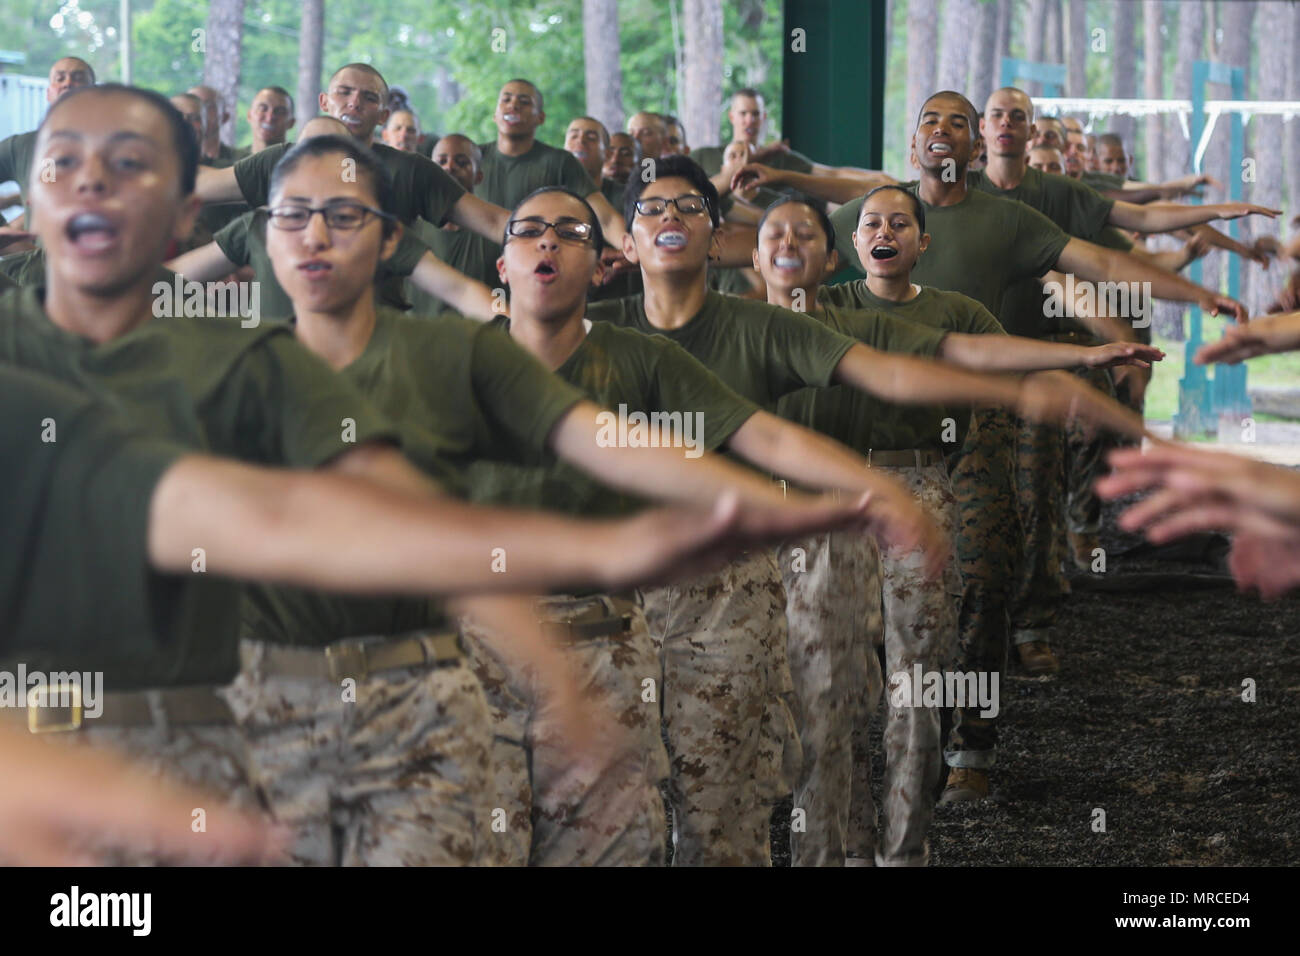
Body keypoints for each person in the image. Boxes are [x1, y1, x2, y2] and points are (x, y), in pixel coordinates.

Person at [245, 137, 875, 866]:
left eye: (571, 234)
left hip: (603, 646)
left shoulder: (636, 359)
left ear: (602, 262)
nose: (547, 244)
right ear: (501, 261)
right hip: (470, 656)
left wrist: (828, 500)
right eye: (528, 232)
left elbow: (733, 441)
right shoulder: (437, 359)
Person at [823, 90, 1244, 798]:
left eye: (959, 122)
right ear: (913, 136)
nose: (944, 132)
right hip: (881, 438)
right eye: (932, 118)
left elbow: (1102, 268)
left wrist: (1191, 299)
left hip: (982, 426)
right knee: (887, 600)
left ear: (975, 145)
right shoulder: (864, 215)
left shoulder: (1007, 222)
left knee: (987, 581)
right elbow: (782, 240)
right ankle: (908, 737)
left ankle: (972, 750)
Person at [754, 192, 1153, 864]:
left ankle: (907, 847)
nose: (883, 232)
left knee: (919, 676)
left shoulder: (945, 314)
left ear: (924, 242)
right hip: (836, 497)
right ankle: (837, 850)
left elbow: (987, 354)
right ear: (848, 247)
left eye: (899, 223)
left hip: (921, 489)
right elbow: (767, 317)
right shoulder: (832, 308)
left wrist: (1082, 360)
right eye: (870, 224)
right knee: (828, 686)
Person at [166, 116, 498, 322]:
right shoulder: (260, 224)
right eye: (310, 149)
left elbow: (461, 291)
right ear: (291, 156)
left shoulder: (376, 229)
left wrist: (518, 327)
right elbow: (170, 280)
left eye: (332, 149)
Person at [195, 63, 515, 252]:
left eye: (369, 97)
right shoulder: (278, 160)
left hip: (380, 329)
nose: (354, 102)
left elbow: (493, 221)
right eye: (344, 92)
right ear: (324, 101)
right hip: (285, 329)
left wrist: (551, 234)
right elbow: (198, 186)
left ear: (383, 115)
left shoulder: (411, 170)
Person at [477, 79, 628, 248]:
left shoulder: (561, 162)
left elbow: (606, 220)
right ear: (495, 114)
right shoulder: (471, 158)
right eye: (506, 99)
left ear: (540, 117)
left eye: (524, 102)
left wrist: (632, 250)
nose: (513, 105)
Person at [0, 57, 95, 208]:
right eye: (59, 78)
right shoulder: (22, 146)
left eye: (78, 78)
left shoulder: (113, 147)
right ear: (48, 93)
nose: (67, 83)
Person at [189, 84, 240, 167]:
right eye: (192, 105)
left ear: (224, 117)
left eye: (208, 106)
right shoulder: (171, 160)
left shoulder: (242, 161)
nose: (199, 112)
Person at [244, 86, 295, 154]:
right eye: (263, 109)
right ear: (249, 115)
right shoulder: (231, 161)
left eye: (279, 112)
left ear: (291, 123)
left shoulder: (302, 162)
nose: (270, 118)